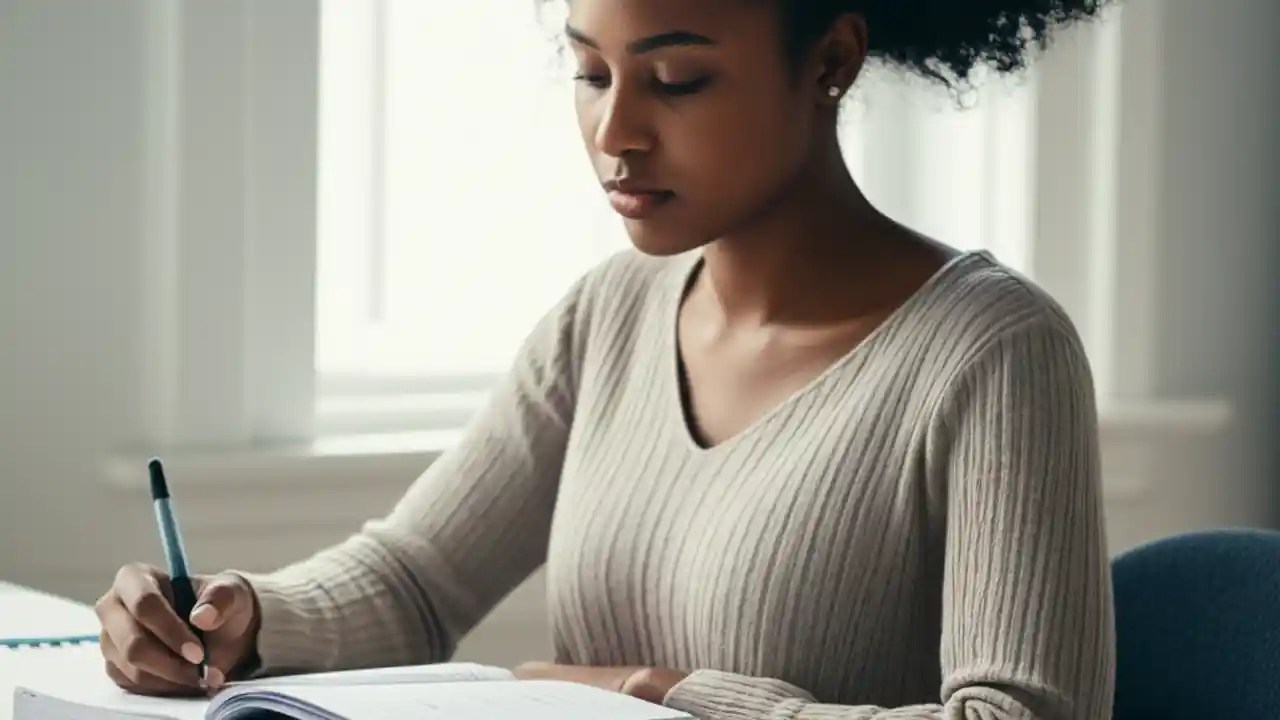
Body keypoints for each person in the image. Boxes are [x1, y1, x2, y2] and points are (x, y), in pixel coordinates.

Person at [95, 0, 1117, 717]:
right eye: (589, 72)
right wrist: (239, 615)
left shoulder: (992, 353)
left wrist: (659, 697)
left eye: (675, 79)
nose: (613, 132)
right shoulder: (612, 313)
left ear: (829, 62)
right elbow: (415, 580)